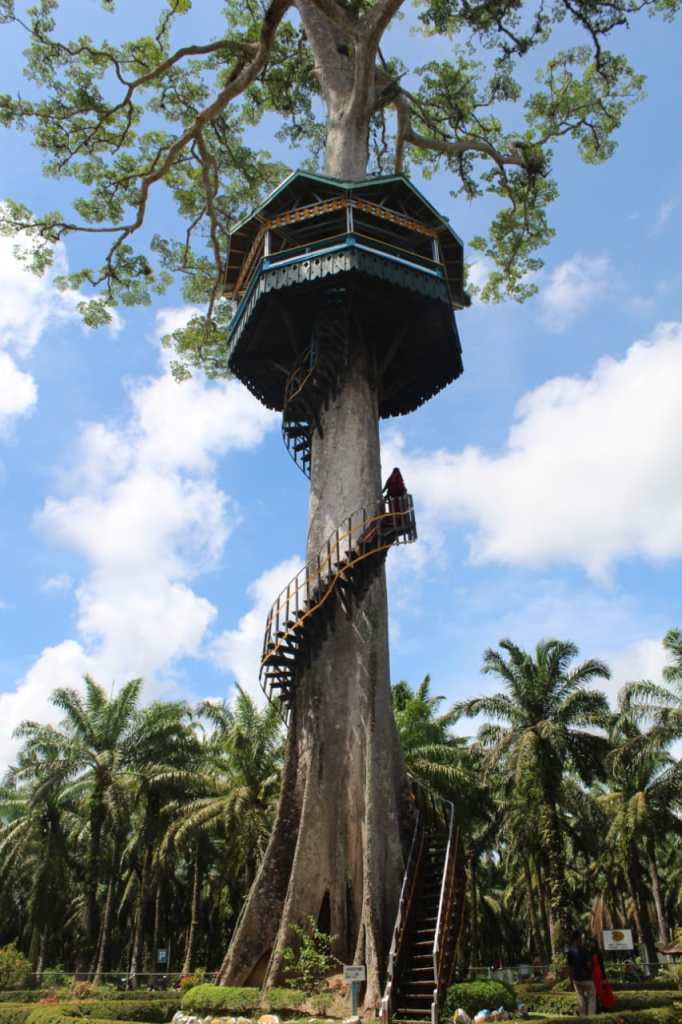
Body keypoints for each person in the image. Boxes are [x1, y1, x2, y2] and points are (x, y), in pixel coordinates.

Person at [567, 930, 597, 1016]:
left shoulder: (570, 951)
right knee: (592, 997)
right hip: (586, 978)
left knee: (580, 998)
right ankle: (591, 1017)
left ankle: (582, 1017)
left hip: (576, 979)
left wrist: (571, 980)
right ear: (579, 938)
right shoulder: (584, 949)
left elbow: (570, 968)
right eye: (581, 937)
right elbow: (589, 964)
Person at [589, 938, 614, 1011]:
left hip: (598, 972)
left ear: (595, 943)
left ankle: (604, 1006)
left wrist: (604, 976)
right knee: (594, 991)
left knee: (601, 990)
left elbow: (601, 965)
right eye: (591, 943)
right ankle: (596, 1007)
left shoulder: (598, 952)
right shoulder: (589, 952)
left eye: (593, 942)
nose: (592, 944)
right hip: (592, 973)